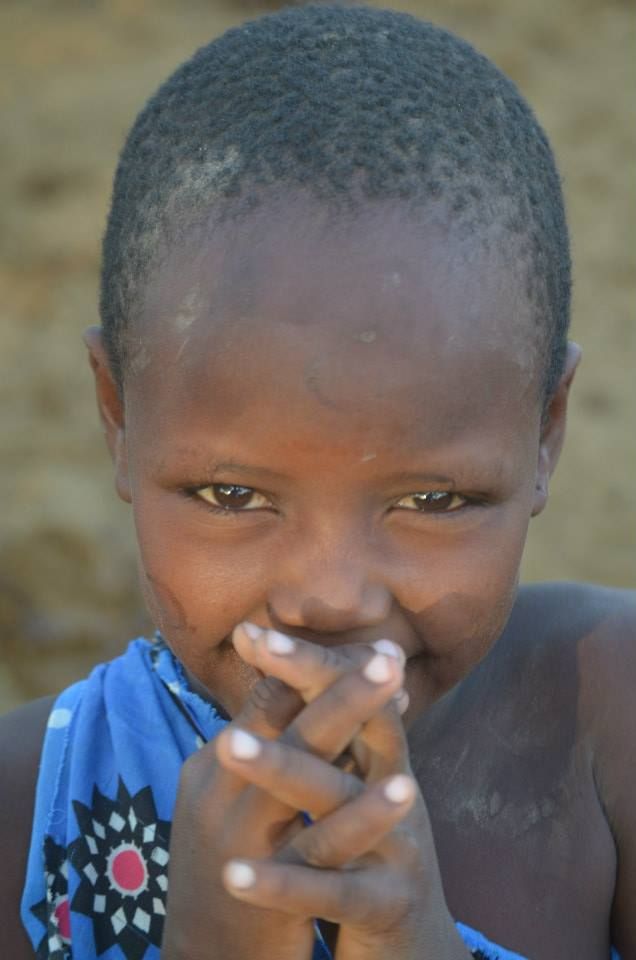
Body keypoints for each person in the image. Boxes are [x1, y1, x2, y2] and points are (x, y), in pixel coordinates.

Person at [1, 4, 633, 959]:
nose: (329, 598)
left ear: (545, 433)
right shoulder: (27, 810)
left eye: (433, 501)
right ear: (118, 418)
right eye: (230, 495)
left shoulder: (604, 716)